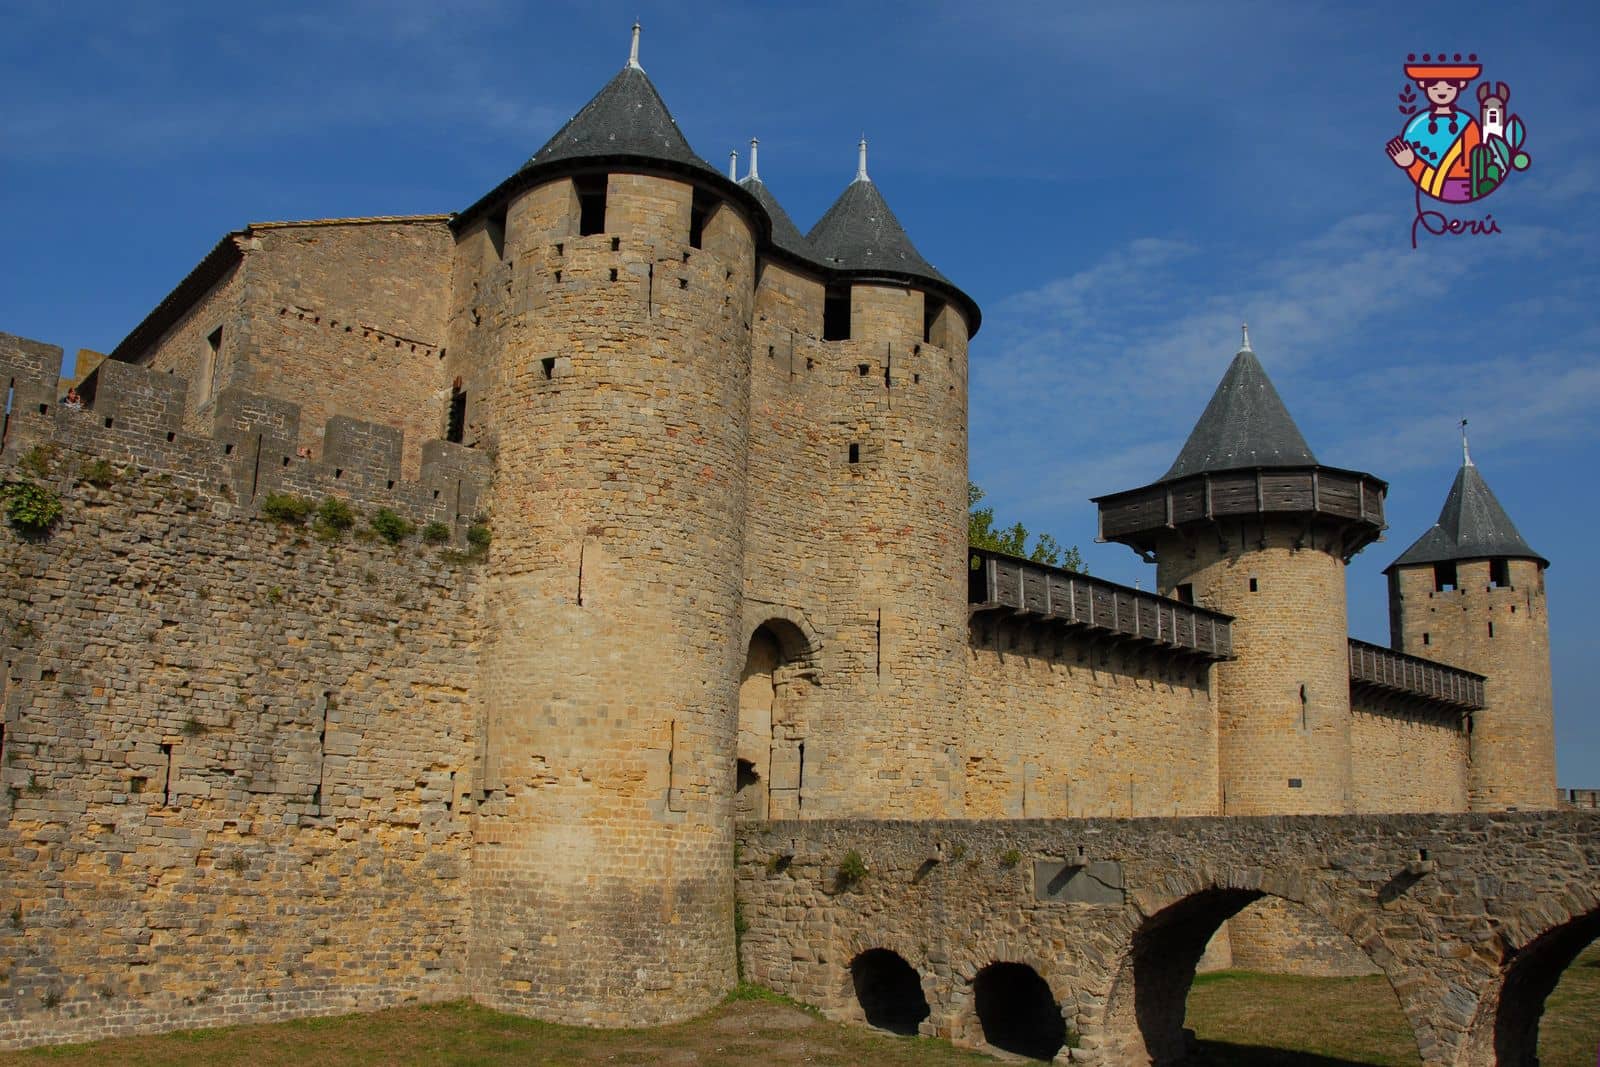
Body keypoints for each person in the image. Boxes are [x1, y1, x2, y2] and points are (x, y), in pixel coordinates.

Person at [1385, 56, 1483, 203]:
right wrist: (1410, 163)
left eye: (1449, 88)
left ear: (1460, 85)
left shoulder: (1468, 125)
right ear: (1423, 85)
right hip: (1437, 186)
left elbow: (1471, 168)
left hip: (1460, 186)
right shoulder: (1417, 126)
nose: (1442, 92)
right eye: (1435, 88)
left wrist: (1413, 164)